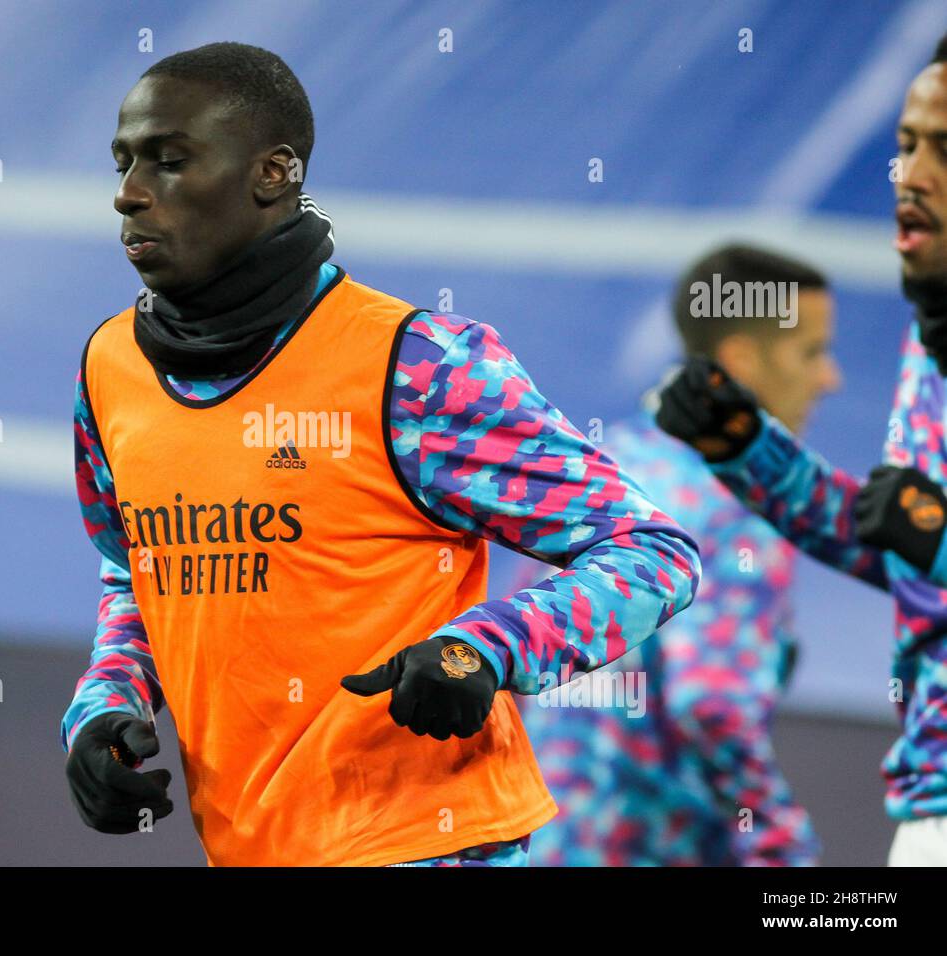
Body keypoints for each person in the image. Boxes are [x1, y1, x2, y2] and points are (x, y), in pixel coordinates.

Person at [63, 41, 700, 867]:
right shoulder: (109, 366)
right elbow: (134, 572)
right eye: (123, 162)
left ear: (274, 173)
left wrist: (489, 647)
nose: (129, 194)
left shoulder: (420, 367)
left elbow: (653, 551)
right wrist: (103, 705)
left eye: (170, 161)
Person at [655, 35, 947, 867]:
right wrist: (749, 451)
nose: (911, 177)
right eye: (905, 145)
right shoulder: (928, 349)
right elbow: (901, 547)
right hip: (928, 804)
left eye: (945, 150)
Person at [518, 244, 839, 865]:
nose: (831, 379)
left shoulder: (602, 470)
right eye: (813, 353)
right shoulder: (741, 501)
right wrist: (783, 851)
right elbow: (715, 703)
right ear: (742, 363)